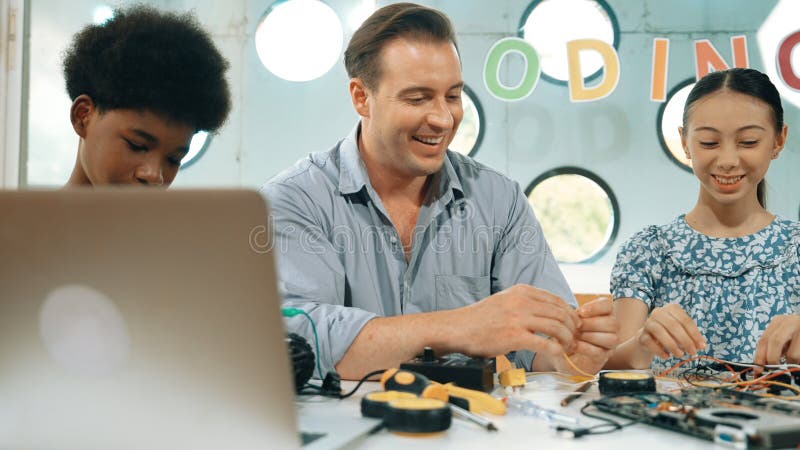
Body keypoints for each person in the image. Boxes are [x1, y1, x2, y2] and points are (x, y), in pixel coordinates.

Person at [261, 2, 617, 380]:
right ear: (361, 97)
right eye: (418, 98)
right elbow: (300, 344)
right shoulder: (294, 200)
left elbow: (543, 350)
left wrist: (570, 354)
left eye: (452, 96)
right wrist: (460, 326)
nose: (443, 119)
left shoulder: (501, 202)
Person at [607, 68, 799, 372]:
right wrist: (642, 342)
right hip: (668, 417)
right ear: (685, 142)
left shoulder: (796, 248)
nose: (727, 160)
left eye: (748, 142)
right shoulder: (648, 250)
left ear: (778, 140)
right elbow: (610, 365)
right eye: (709, 143)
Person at [62, 5, 231, 187]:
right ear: (83, 116)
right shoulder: (28, 216)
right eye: (136, 145)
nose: (154, 175)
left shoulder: (188, 216)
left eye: (173, 160)